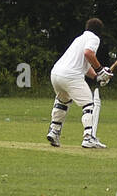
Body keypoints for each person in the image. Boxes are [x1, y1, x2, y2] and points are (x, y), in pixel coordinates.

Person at [47, 18, 113, 149]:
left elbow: (85, 64)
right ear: (100, 31)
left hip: (56, 73)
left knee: (62, 101)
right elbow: (88, 53)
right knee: (89, 105)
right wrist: (100, 70)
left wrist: (96, 77)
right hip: (71, 76)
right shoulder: (94, 38)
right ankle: (88, 137)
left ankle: (54, 131)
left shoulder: (79, 39)